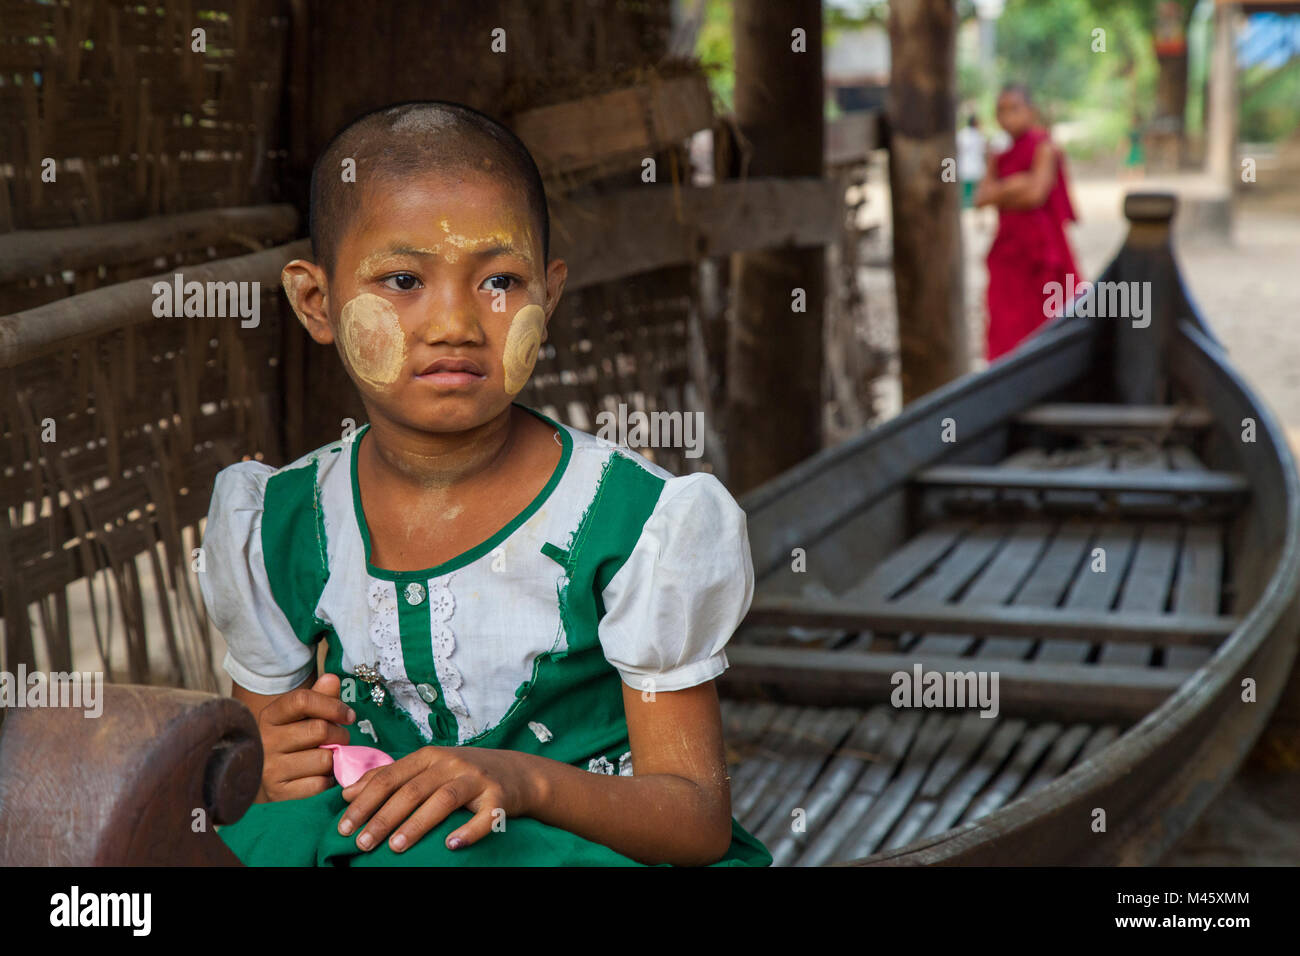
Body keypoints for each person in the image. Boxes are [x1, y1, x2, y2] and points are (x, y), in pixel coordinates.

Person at [199, 100, 771, 867]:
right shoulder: (278, 525)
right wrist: (272, 771)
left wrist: (521, 782)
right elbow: (269, 768)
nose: (456, 323)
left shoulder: (634, 525)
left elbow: (695, 819)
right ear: (316, 301)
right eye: (403, 279)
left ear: (549, 295)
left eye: (500, 281)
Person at [975, 84, 1080, 361]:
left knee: (1049, 312)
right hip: (1009, 247)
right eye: (1001, 111)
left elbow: (1036, 195)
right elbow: (981, 197)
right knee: (1007, 316)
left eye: (1015, 109)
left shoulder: (1043, 147)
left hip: (1042, 246)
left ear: (1031, 111)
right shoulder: (998, 157)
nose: (1008, 117)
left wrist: (1004, 192)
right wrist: (1016, 184)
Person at [956, 114, 986, 209]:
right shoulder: (979, 135)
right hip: (976, 167)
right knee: (975, 191)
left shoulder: (961, 134)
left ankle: (967, 207)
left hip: (965, 166)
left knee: (966, 192)